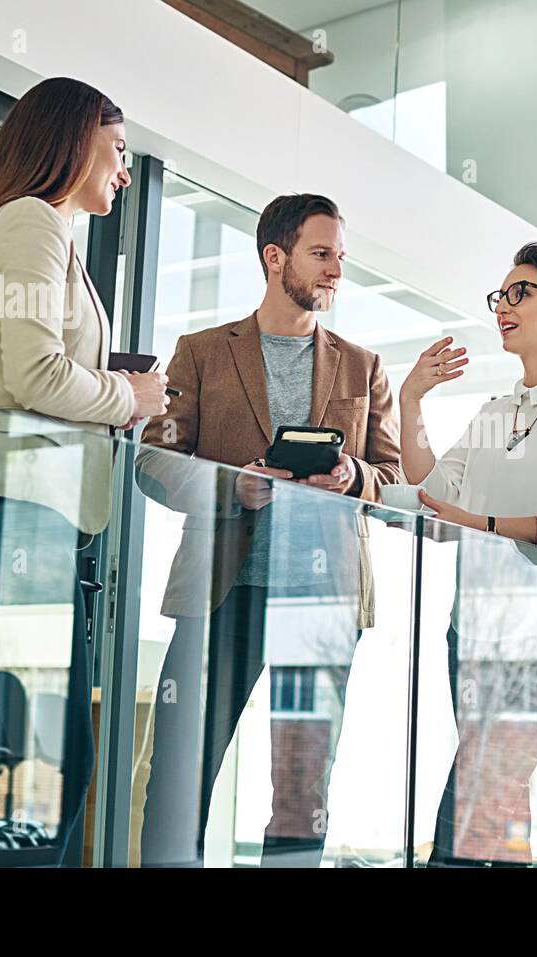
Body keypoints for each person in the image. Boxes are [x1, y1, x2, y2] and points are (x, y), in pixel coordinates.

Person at [0, 77, 170, 866]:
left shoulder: (36, 228)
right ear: (72, 139)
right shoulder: (32, 222)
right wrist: (129, 396)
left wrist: (121, 397)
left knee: (38, 751)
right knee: (52, 762)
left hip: (9, 516)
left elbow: (33, 370)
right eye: (120, 151)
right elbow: (35, 376)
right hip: (6, 512)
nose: (125, 172)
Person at [136, 193, 402, 867]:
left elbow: (391, 479)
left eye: (341, 256)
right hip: (222, 591)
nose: (335, 270)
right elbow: (153, 461)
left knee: (303, 785)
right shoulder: (200, 352)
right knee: (180, 772)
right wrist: (232, 484)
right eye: (321, 254)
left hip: (320, 601)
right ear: (274, 257)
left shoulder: (363, 365)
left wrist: (352, 477)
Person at [399, 241, 537, 864]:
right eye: (500, 295)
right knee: (497, 812)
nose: (503, 305)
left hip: (535, 638)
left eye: (520, 292)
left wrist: (488, 523)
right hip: (469, 631)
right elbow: (430, 492)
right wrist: (411, 402)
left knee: (478, 807)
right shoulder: (500, 411)